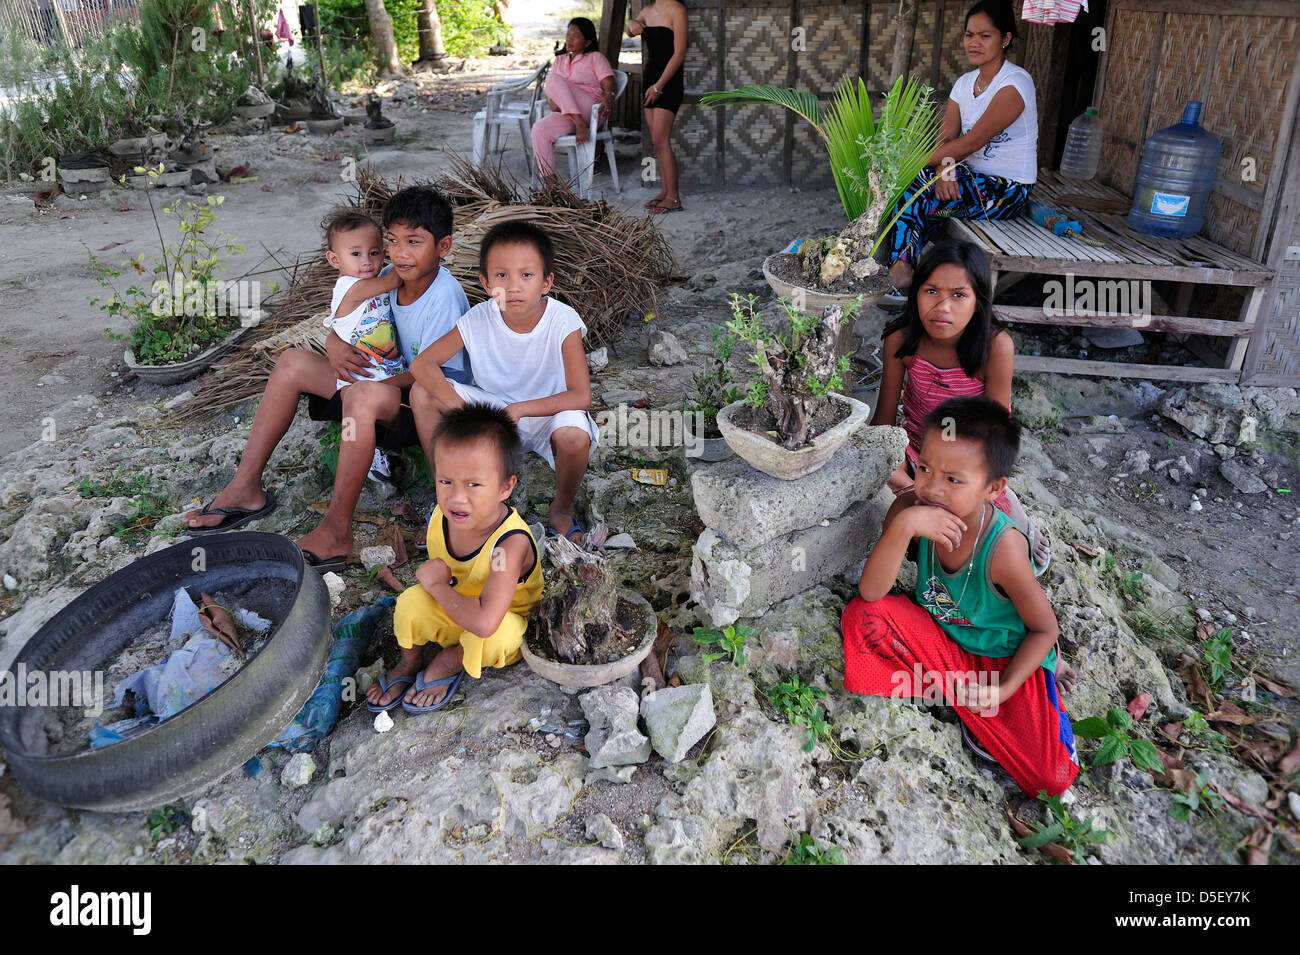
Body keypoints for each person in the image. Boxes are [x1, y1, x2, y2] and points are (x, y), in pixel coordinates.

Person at [185, 187, 471, 572]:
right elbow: (345, 318)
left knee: (362, 397)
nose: (400, 253)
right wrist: (335, 344)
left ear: (443, 246)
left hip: (424, 402)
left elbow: (429, 375)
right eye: (393, 242)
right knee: (291, 363)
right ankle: (245, 487)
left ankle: (337, 530)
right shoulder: (388, 275)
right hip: (378, 382)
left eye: (414, 242)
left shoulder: (443, 296)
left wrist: (371, 387)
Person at [842, 397, 1078, 797]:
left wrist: (1003, 689)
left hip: (1003, 656)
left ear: (993, 488)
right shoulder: (911, 507)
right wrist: (903, 527)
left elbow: (1043, 629)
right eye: (925, 468)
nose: (932, 487)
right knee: (862, 617)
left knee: (1051, 778)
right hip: (944, 639)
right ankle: (974, 707)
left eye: (953, 479)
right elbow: (872, 592)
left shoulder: (1003, 549)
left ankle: (992, 697)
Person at [410, 220, 597, 544]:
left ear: (546, 281)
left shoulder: (562, 320)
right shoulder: (478, 318)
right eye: (501, 276)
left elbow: (581, 396)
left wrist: (521, 409)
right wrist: (466, 414)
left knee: (573, 435)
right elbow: (422, 364)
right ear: (485, 282)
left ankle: (562, 510)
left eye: (526, 275)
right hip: (491, 412)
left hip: (544, 415)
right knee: (421, 392)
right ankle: (446, 495)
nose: (513, 286)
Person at [871, 240, 1051, 576]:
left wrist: (962, 487)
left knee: (992, 555)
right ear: (915, 293)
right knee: (885, 498)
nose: (942, 307)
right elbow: (882, 428)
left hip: (969, 461)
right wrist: (910, 485)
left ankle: (1009, 506)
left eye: (958, 295)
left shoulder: (995, 348)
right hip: (915, 455)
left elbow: (994, 437)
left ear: (979, 301)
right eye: (931, 291)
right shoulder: (900, 339)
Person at [365, 404, 544, 712]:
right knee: (409, 603)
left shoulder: (509, 544)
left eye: (473, 484)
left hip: (499, 618)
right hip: (457, 605)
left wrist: (436, 587)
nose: (457, 498)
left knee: (500, 636)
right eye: (445, 482)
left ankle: (450, 661)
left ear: (505, 487)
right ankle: (410, 663)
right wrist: (438, 588)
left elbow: (487, 622)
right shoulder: (441, 517)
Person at [881, 0, 1037, 294]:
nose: (974, 42)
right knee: (923, 185)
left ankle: (901, 273)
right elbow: (946, 138)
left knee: (913, 181)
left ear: (1005, 39)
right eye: (969, 35)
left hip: (1007, 189)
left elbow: (972, 141)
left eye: (984, 35)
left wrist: (912, 163)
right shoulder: (965, 84)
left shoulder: (1015, 84)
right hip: (964, 174)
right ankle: (909, 273)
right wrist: (943, 167)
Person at [531, 17, 616, 178]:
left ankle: (579, 123)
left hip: (590, 109)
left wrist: (609, 94)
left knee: (553, 79)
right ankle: (552, 187)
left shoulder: (596, 57)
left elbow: (609, 83)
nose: (569, 39)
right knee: (539, 130)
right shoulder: (560, 60)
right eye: (568, 34)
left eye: (575, 36)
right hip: (567, 111)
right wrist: (555, 101)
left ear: (587, 42)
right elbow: (554, 101)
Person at [625, 0, 687, 213]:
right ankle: (664, 192)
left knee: (662, 140)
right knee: (656, 142)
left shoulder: (677, 10)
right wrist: (631, 24)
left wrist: (659, 86)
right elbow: (630, 30)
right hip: (649, 80)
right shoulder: (647, 11)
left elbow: (679, 53)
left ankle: (674, 198)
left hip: (667, 84)